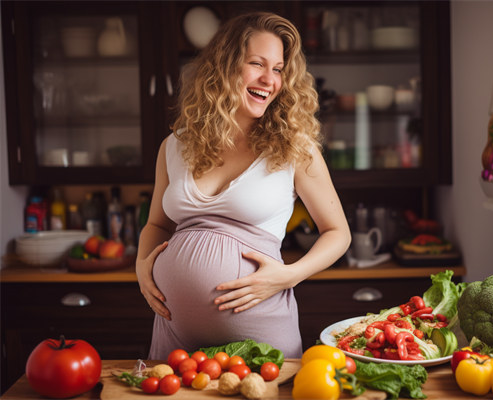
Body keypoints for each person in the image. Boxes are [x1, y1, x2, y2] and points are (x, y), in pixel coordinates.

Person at [136, 11, 351, 360]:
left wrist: (288, 276)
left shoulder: (295, 148)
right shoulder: (174, 146)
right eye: (257, 64)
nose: (269, 79)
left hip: (260, 337)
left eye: (278, 69)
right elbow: (157, 224)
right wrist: (141, 265)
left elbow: (338, 233)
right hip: (174, 337)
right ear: (224, 66)